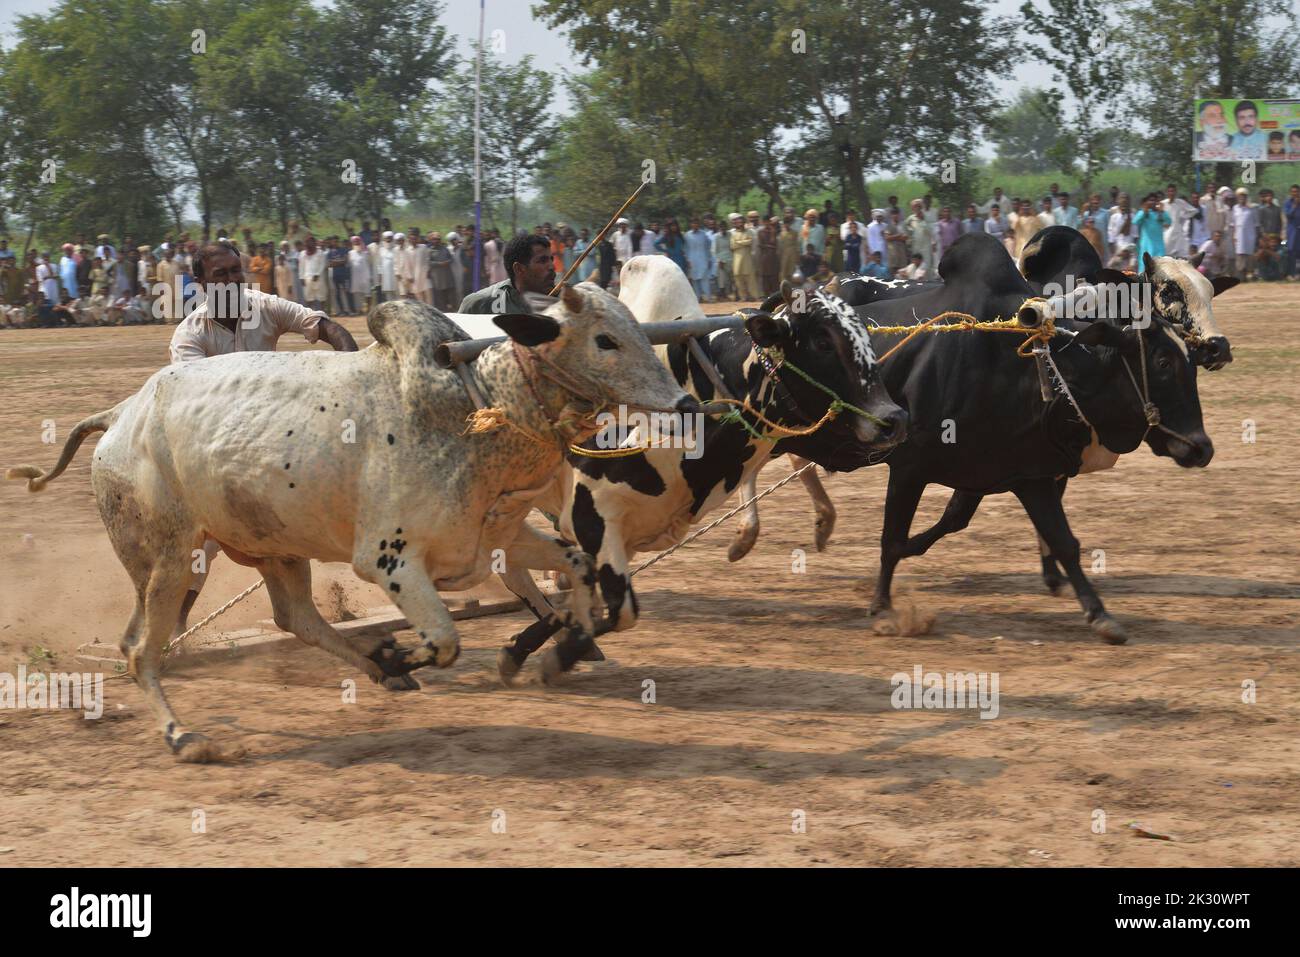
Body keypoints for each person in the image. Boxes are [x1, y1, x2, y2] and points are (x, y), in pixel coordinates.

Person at [459, 233, 555, 314]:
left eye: (551, 260)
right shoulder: (479, 304)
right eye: (542, 261)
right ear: (519, 269)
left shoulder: (563, 302)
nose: (552, 267)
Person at [1162, 185, 1197, 259]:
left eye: (1173, 191)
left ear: (1176, 192)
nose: (1171, 193)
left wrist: (1183, 217)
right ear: (1167, 192)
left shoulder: (1180, 202)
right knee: (1166, 253)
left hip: (1177, 230)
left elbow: (1194, 211)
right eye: (1170, 191)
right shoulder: (1163, 203)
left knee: (1179, 254)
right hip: (1165, 230)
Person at [730, 213, 759, 300]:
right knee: (738, 278)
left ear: (743, 222)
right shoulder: (732, 233)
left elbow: (750, 242)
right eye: (736, 222)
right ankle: (743, 297)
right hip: (737, 259)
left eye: (740, 222)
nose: (739, 224)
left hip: (747, 258)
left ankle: (754, 296)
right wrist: (744, 242)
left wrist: (738, 242)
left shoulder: (750, 231)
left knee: (750, 278)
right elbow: (732, 246)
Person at [683, 218, 714, 300]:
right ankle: (698, 297)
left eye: (696, 223)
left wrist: (709, 258)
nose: (695, 225)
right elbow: (685, 249)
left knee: (705, 278)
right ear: (691, 225)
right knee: (694, 279)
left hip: (703, 258)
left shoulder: (704, 234)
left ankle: (708, 297)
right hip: (692, 259)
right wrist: (687, 260)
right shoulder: (687, 235)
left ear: (698, 224)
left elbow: (708, 247)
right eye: (693, 223)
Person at [1233, 187, 1257, 280]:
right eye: (1240, 196)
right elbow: (1234, 223)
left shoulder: (1252, 209)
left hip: (1250, 236)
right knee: (1240, 255)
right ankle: (1240, 275)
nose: (1241, 198)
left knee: (1249, 255)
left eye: (1243, 196)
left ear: (1246, 197)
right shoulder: (1235, 208)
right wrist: (1233, 236)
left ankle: (1250, 274)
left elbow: (1256, 223)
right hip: (1238, 236)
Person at [428, 232, 455, 311]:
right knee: (439, 296)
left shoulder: (445, 248)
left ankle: (451, 310)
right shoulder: (429, 250)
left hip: (447, 276)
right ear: (431, 240)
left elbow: (451, 259)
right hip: (437, 277)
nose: (436, 241)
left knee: (449, 295)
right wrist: (439, 264)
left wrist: (448, 262)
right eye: (434, 239)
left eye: (438, 239)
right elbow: (429, 262)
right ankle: (442, 310)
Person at [712, 219, 734, 301]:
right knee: (722, 279)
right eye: (721, 227)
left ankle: (733, 295)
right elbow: (714, 250)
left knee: (731, 279)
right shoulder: (716, 237)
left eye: (724, 227)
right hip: (721, 261)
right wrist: (718, 260)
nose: (723, 228)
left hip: (731, 259)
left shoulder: (730, 235)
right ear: (719, 228)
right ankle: (722, 296)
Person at [757, 221, 780, 297]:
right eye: (766, 222)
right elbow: (760, 245)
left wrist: (773, 233)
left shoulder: (774, 232)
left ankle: (774, 296)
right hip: (764, 257)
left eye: (769, 223)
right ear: (763, 222)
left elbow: (774, 243)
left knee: (774, 277)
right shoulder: (761, 232)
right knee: (765, 277)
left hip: (773, 258)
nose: (767, 224)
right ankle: (766, 296)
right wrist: (770, 247)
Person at [1284, 184, 1300, 280]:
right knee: (1291, 252)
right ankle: (1291, 274)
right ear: (1290, 193)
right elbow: (1288, 215)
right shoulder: (1288, 203)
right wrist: (1294, 206)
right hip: (1292, 231)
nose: (1295, 193)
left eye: (1297, 191)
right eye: (1293, 191)